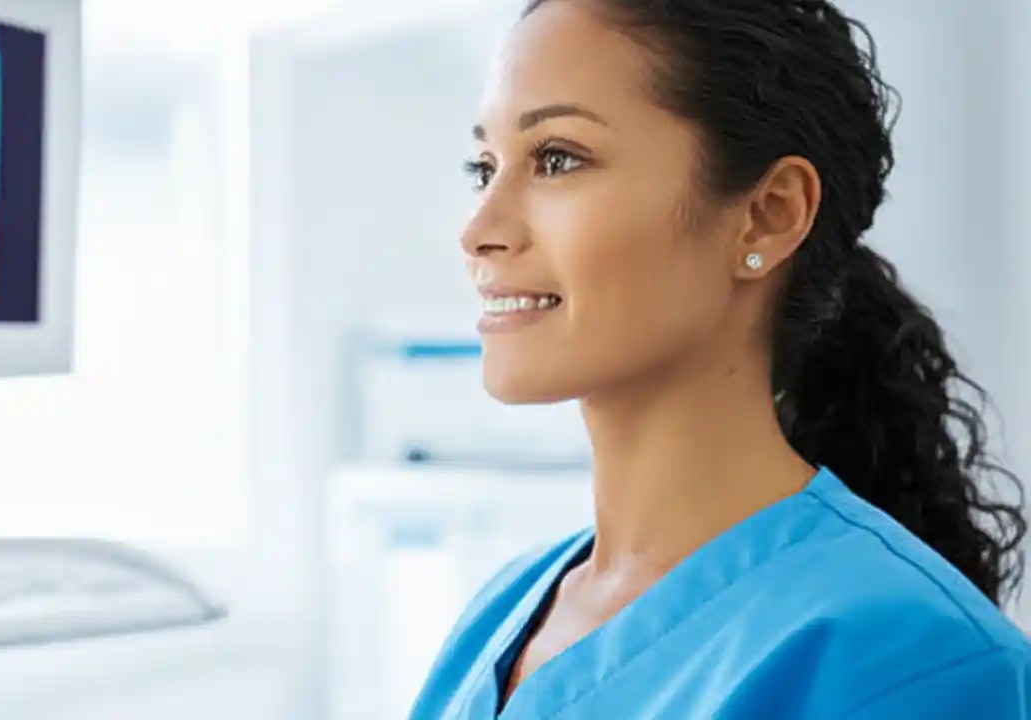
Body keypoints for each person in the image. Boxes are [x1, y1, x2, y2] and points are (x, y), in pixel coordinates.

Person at [410, 0, 1031, 717]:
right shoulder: (503, 613)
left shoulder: (914, 665)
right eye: (482, 166)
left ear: (768, 213)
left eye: (557, 158)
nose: (477, 228)